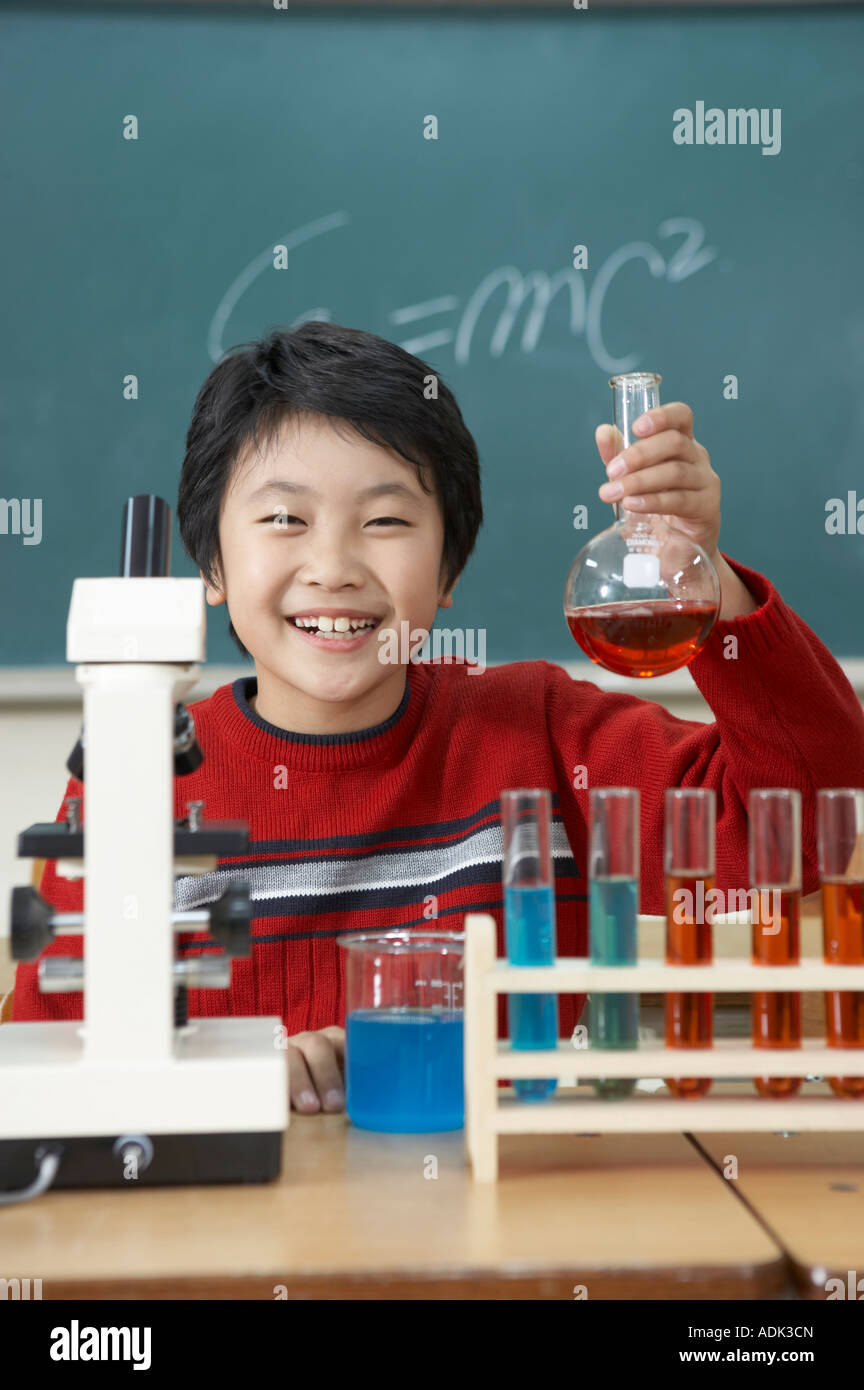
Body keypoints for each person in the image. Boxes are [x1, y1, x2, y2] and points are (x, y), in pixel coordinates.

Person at [12, 322, 864, 1116]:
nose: (334, 567)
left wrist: (707, 576)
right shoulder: (140, 772)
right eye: (284, 520)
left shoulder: (537, 732)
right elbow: (50, 1057)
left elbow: (804, 815)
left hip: (506, 1231)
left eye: (386, 521)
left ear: (449, 569)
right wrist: (238, 1079)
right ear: (211, 563)